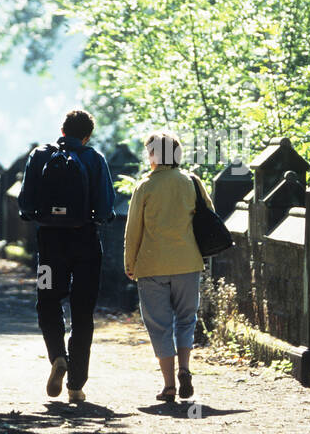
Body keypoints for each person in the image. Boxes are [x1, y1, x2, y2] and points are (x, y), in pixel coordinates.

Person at [17, 109, 116, 403]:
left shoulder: (40, 156)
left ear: (62, 131)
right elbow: (107, 209)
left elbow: (25, 203)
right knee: (83, 311)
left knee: (47, 299)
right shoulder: (94, 159)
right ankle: (76, 385)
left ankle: (57, 357)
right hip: (85, 242)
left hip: (49, 243)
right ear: (87, 136)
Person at [123, 130, 214, 403]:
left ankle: (169, 385)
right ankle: (185, 369)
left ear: (152, 155)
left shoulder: (145, 187)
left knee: (160, 325)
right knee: (186, 320)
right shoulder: (191, 182)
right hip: (188, 262)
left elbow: (133, 230)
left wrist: (130, 263)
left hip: (152, 265)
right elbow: (209, 215)